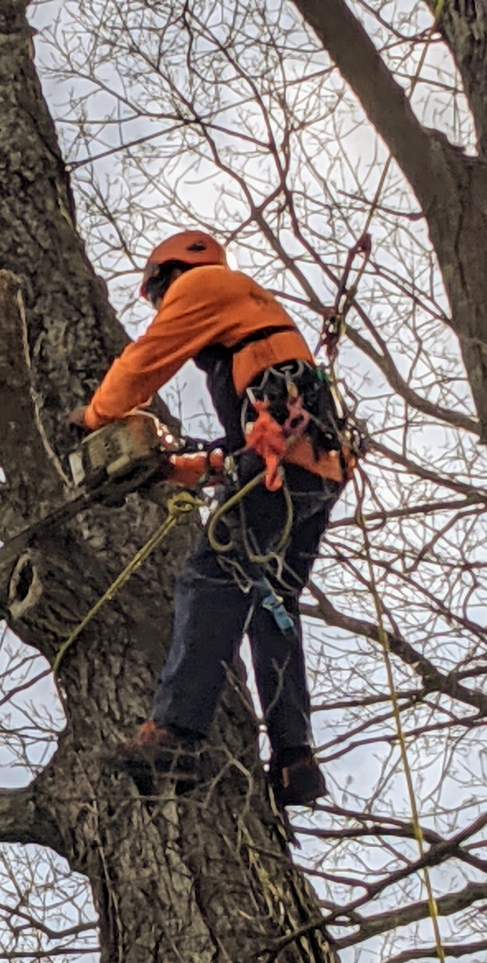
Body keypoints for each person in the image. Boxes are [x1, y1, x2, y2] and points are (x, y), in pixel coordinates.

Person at [76, 230, 351, 807]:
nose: (159, 306)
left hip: (284, 468)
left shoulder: (203, 284)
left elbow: (143, 362)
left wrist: (94, 416)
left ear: (164, 276)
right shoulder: (252, 325)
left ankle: (177, 733)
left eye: (156, 295)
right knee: (274, 607)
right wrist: (171, 469)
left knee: (210, 578)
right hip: (314, 473)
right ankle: (294, 760)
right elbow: (243, 451)